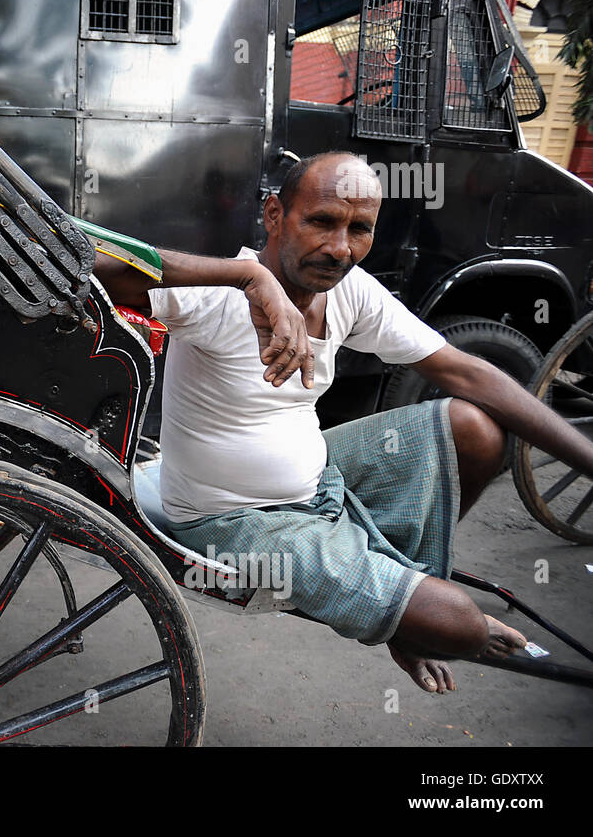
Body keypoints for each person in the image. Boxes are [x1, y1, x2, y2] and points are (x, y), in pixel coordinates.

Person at [96, 151, 593, 693]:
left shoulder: (348, 292)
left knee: (475, 428)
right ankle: (413, 612)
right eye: (321, 221)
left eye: (360, 229)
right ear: (274, 216)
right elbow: (92, 267)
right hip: (234, 520)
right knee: (458, 623)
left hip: (321, 479)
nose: (339, 248)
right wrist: (248, 277)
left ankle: (402, 595)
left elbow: (465, 371)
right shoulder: (217, 296)